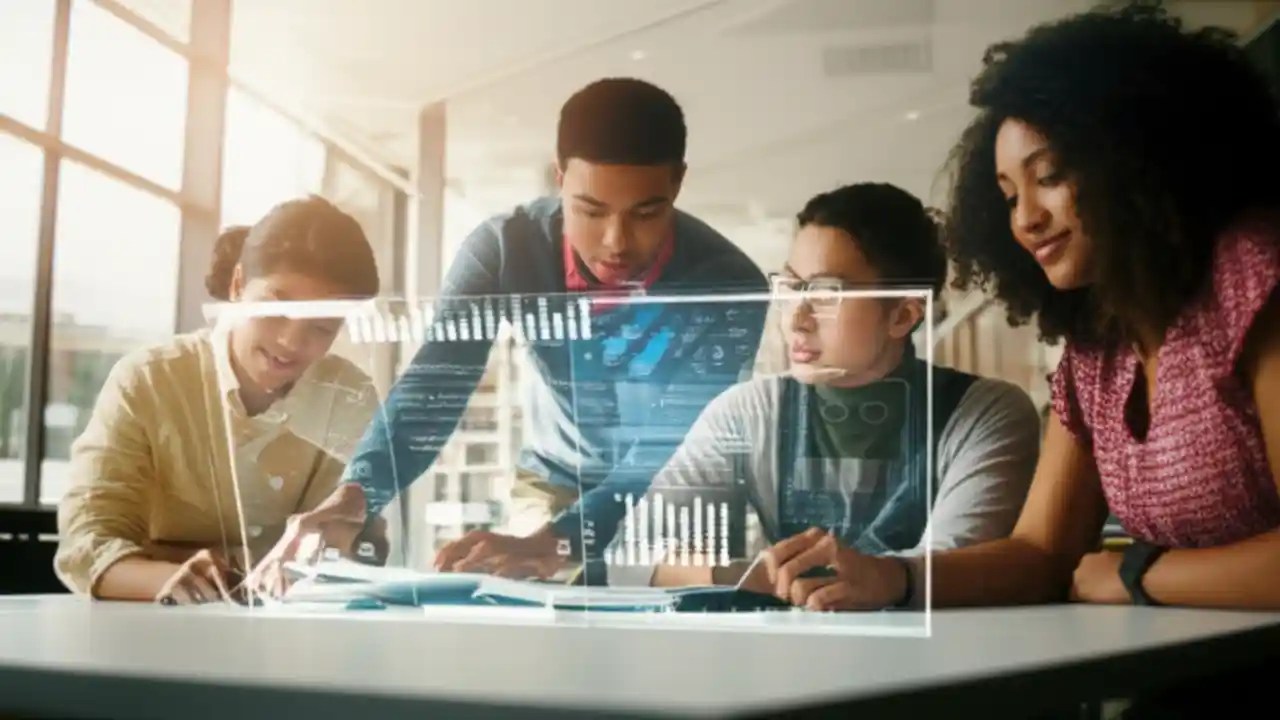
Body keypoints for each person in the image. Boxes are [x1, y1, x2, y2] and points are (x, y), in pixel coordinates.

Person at [753, 4, 1280, 619]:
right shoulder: (1097, 350)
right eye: (1008, 196)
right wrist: (891, 578)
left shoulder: (1253, 273)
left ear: (1142, 159)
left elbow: (1094, 570)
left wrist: (1141, 573)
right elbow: (1040, 553)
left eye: (1049, 176)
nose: (1026, 219)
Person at [250, 77, 768, 589]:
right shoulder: (503, 250)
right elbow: (435, 386)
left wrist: (556, 543)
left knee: (681, 634)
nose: (616, 242)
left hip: (678, 494)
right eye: (591, 210)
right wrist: (355, 496)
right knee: (526, 613)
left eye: (646, 213)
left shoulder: (728, 283)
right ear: (559, 177)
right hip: (556, 479)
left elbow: (668, 449)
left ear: (677, 183)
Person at [607, 183, 1040, 597]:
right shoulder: (751, 412)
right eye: (793, 287)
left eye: (827, 294)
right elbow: (628, 557)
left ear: (903, 316)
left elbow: (958, 568)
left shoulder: (984, 415)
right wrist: (745, 574)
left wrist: (876, 578)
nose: (797, 318)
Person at [55, 197, 382, 604]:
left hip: (292, 629)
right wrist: (170, 578)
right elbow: (88, 542)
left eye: (321, 327)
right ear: (238, 284)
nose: (290, 343)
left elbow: (364, 545)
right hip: (153, 622)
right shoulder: (149, 380)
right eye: (276, 310)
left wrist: (343, 539)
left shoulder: (348, 394)